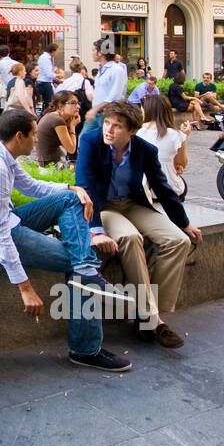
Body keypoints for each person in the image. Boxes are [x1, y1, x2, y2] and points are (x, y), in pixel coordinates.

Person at [0, 107, 131, 373]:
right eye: (34, 134)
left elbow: (31, 187)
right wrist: (24, 287)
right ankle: (85, 350)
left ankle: (85, 268)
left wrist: (72, 188)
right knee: (75, 263)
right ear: (19, 136)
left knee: (72, 199)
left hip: (9, 220)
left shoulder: (0, 150)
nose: (37, 139)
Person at [76, 100, 202, 347]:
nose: (109, 130)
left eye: (117, 127)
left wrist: (183, 223)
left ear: (132, 131)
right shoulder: (91, 142)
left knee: (178, 241)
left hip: (132, 204)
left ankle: (150, 315)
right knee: (130, 238)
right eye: (108, 124)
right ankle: (154, 322)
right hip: (103, 207)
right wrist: (95, 231)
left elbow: (163, 189)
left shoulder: (145, 150)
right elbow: (86, 184)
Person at [138, 94, 188, 197]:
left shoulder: (136, 132)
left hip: (142, 188)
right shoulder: (176, 135)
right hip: (167, 188)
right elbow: (181, 163)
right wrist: (184, 137)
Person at [35, 91, 80, 165]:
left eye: (78, 103)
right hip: (51, 164)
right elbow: (71, 149)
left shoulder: (52, 116)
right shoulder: (57, 120)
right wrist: (72, 126)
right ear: (61, 106)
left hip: (47, 161)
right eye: (73, 103)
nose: (78, 106)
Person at [35, 43, 59, 113]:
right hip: (45, 82)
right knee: (49, 103)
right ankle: (46, 115)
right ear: (53, 51)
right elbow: (48, 74)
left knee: (47, 102)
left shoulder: (44, 57)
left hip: (44, 81)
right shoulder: (46, 58)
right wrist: (57, 76)